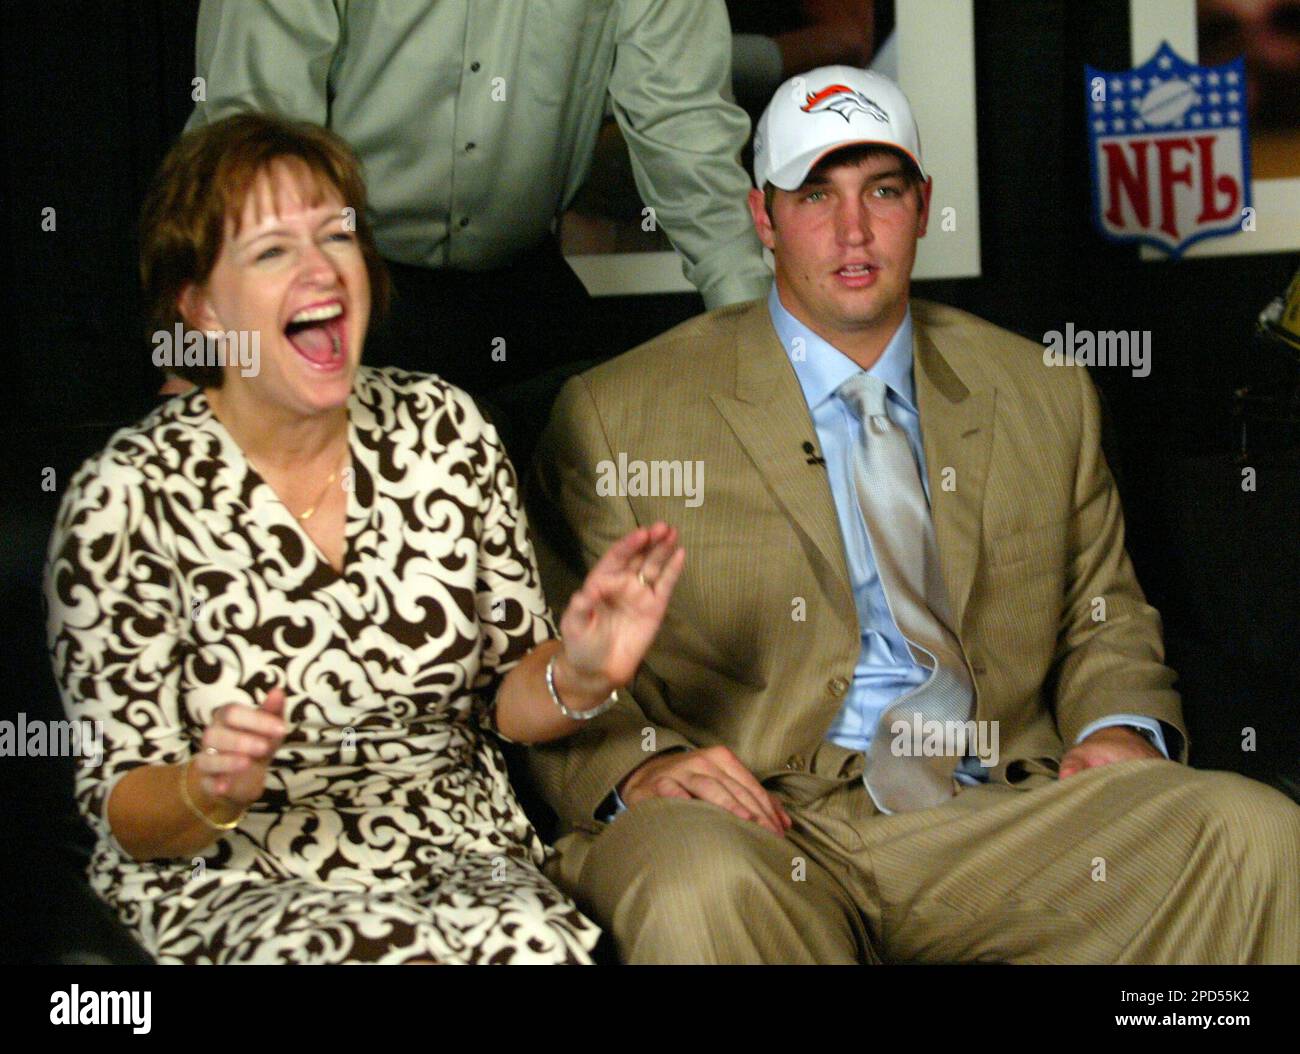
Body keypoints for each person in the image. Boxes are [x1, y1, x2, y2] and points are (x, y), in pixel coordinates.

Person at [525, 66, 1300, 963]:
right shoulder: (617, 411)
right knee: (690, 885)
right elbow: (551, 653)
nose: (854, 230)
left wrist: (1117, 725)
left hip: (998, 812)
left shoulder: (1042, 391)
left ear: (923, 204)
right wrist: (641, 767)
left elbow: (1105, 611)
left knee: (1254, 836)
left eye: (881, 191)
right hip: (760, 821)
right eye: (816, 194)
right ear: (763, 216)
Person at [43, 112, 684, 965]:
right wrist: (207, 788)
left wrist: (582, 669)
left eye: (335, 236)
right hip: (233, 871)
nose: (319, 270)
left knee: (537, 946)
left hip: (458, 852)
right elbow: (124, 804)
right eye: (271, 250)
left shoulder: (445, 429)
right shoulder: (124, 498)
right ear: (198, 306)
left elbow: (507, 701)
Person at [184, 0, 772, 394]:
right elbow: (256, 133)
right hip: (334, 278)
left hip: (520, 285)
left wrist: (757, 330)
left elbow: (681, 117)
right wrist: (232, 342)